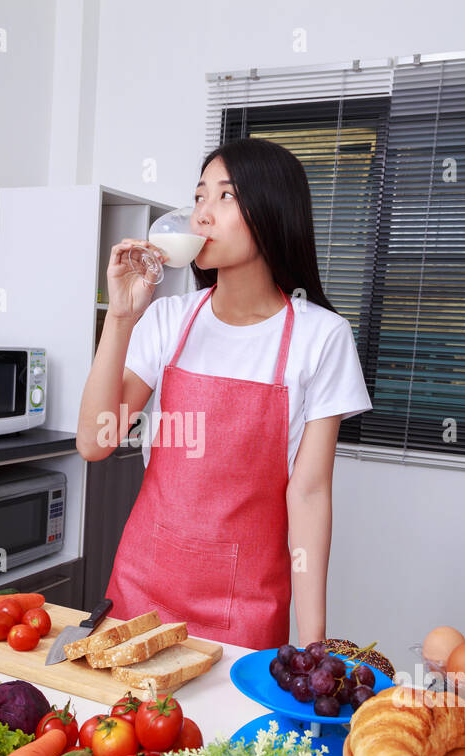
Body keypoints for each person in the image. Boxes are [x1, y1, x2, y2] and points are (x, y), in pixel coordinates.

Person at [77, 137, 371, 650]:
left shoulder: (321, 336)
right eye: (198, 197)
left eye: (225, 197)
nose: (201, 215)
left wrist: (315, 645)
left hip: (246, 607)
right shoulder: (168, 319)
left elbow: (309, 494)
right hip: (140, 591)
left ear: (272, 212)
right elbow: (95, 442)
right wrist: (121, 317)